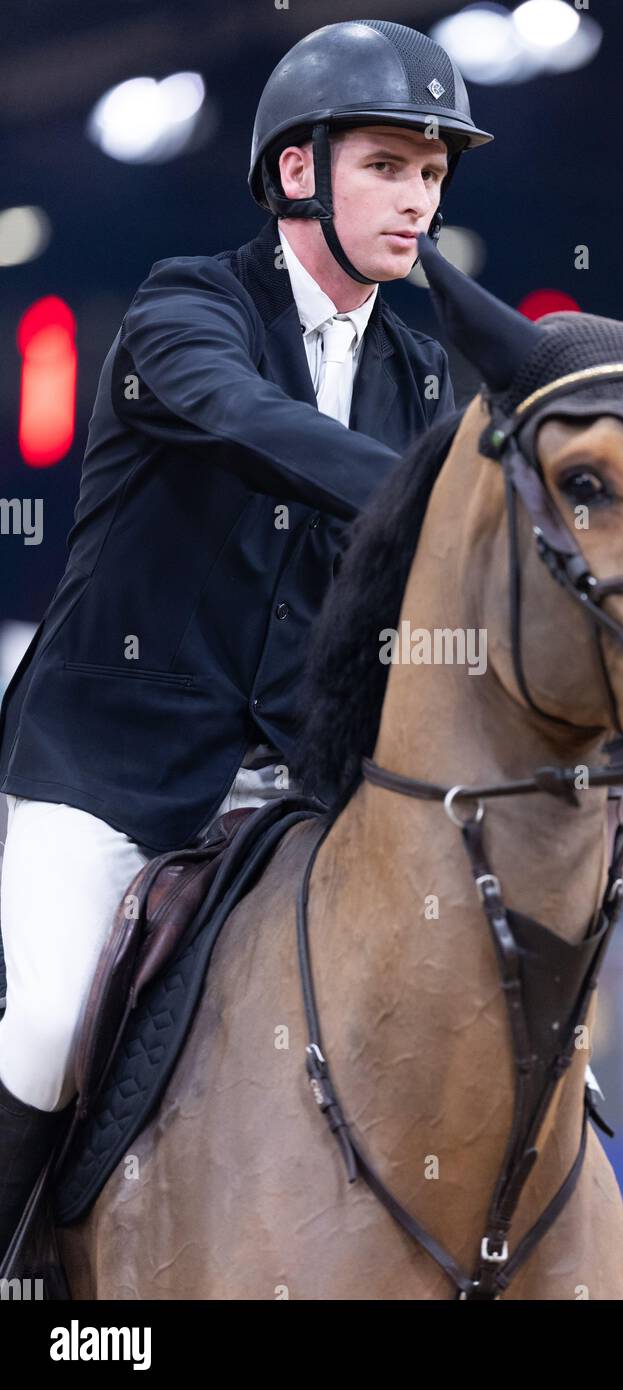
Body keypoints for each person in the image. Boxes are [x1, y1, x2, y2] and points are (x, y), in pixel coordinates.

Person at [0, 17, 492, 1261]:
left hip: (295, 792)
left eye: (431, 175)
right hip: (112, 775)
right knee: (51, 1023)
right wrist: (456, 498)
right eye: (386, 164)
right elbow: (257, 423)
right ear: (296, 172)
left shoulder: (426, 374)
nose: (415, 200)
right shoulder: (183, 313)